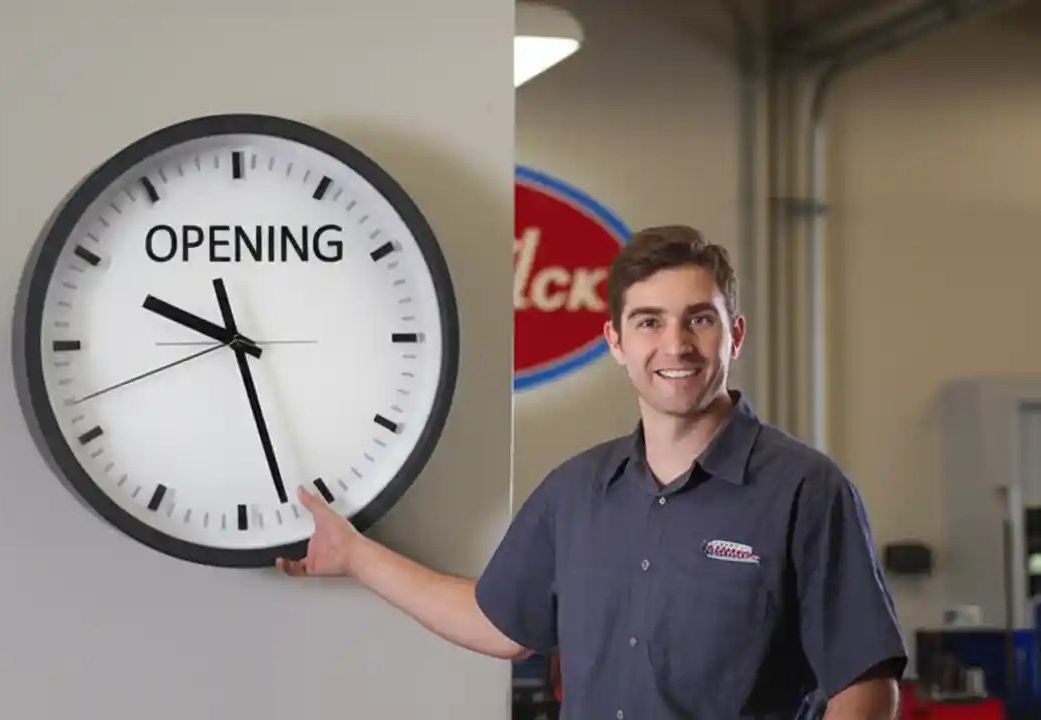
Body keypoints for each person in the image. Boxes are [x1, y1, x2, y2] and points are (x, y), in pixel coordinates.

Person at [276, 225, 907, 719]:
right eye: (649, 322)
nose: (676, 345)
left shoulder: (806, 490)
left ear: (734, 335)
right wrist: (356, 557)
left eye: (700, 319)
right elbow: (496, 620)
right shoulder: (576, 492)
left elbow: (865, 685)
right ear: (616, 342)